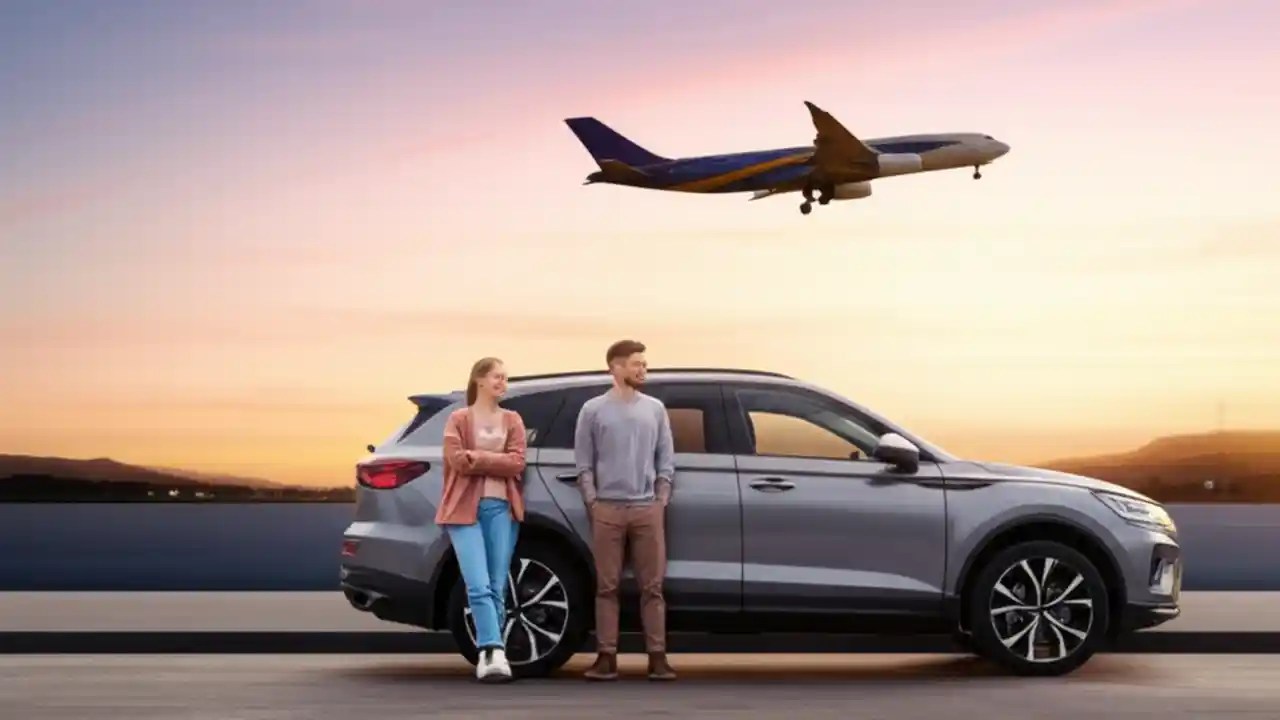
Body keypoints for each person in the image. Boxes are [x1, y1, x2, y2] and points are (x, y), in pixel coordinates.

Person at [574, 339, 677, 681]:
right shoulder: (592, 410)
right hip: (608, 508)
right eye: (636, 364)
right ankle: (606, 656)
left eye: (644, 364)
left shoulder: (655, 409)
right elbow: (584, 462)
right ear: (615, 367)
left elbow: (666, 458)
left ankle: (657, 656)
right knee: (607, 586)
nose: (642, 369)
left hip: (647, 507)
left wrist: (661, 497)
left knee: (653, 586)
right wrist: (593, 500)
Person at [437, 356, 528, 683]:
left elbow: (517, 463)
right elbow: (458, 461)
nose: (502, 383)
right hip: (463, 510)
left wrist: (479, 458)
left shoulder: (513, 420)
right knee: (477, 584)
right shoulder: (458, 419)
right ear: (479, 380)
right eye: (496, 377)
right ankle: (492, 651)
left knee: (496, 584)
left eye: (505, 377)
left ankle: (495, 650)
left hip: (501, 508)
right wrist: (493, 460)